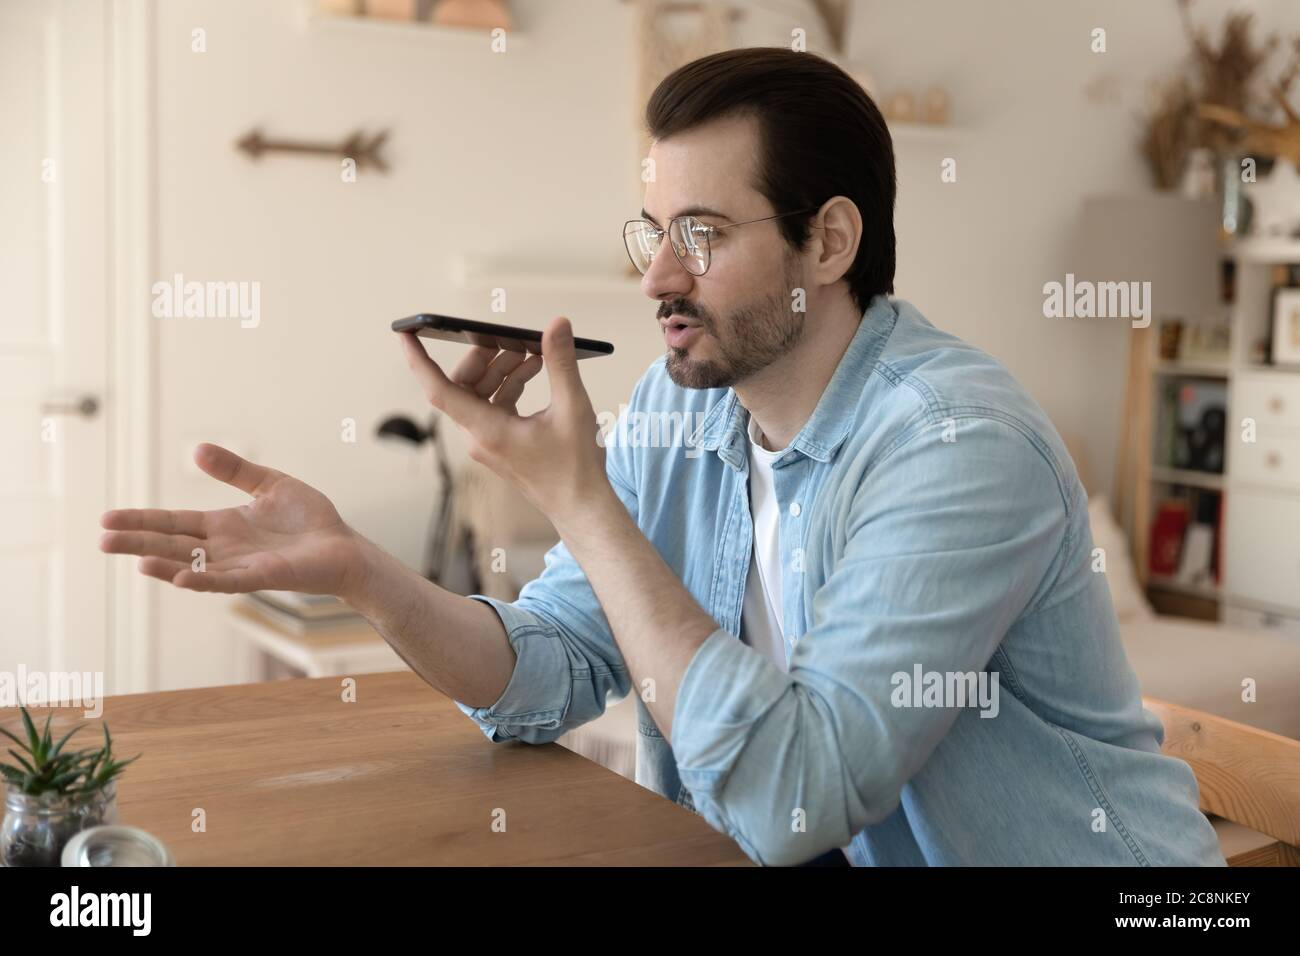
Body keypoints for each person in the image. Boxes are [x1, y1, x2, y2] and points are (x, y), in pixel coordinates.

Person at [99, 48, 1226, 867]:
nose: (654, 281)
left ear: (826, 242)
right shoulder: (681, 410)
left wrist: (582, 500)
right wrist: (360, 569)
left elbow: (793, 797)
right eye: (652, 232)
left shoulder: (956, 444)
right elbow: (547, 672)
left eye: (703, 234)